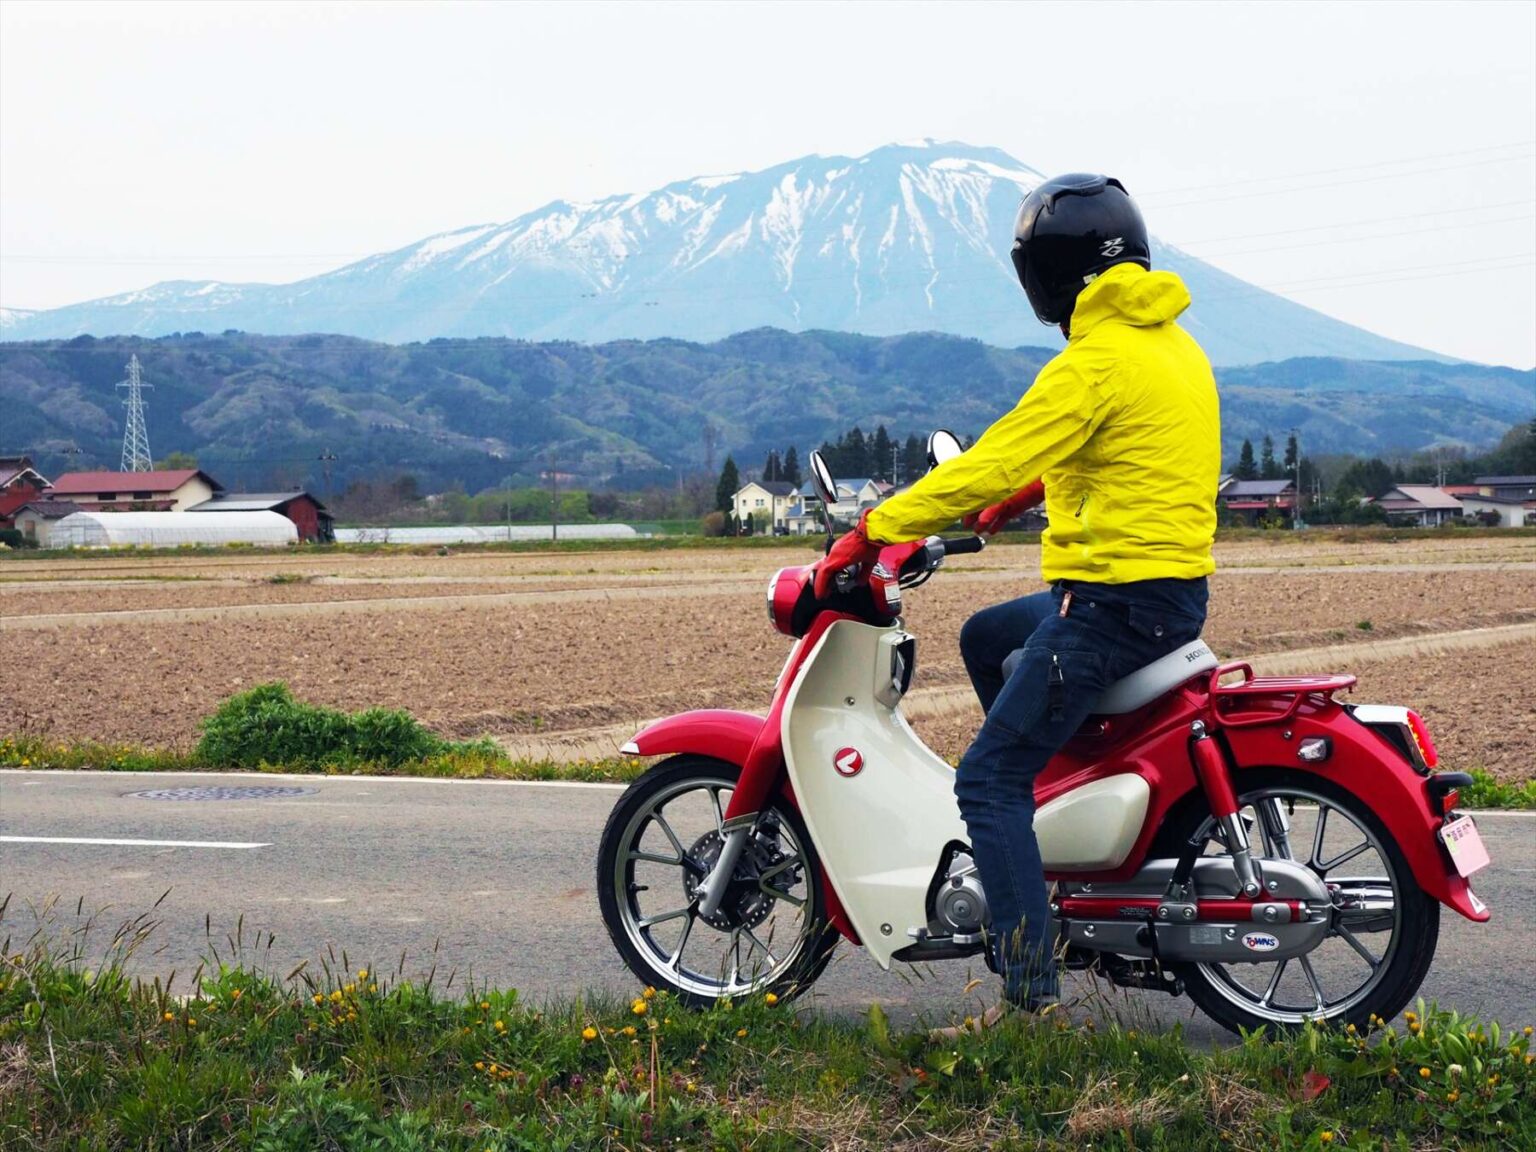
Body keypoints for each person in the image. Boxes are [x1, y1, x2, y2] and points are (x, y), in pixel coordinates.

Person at [812, 173, 1221, 1019]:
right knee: (989, 636)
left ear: (1050, 277)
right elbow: (1122, 451)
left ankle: (1031, 991)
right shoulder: (1172, 347)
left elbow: (992, 457)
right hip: (1169, 597)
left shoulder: (1093, 364)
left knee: (988, 780)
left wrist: (875, 529)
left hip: (1109, 610)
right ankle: (1049, 833)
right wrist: (1025, 496)